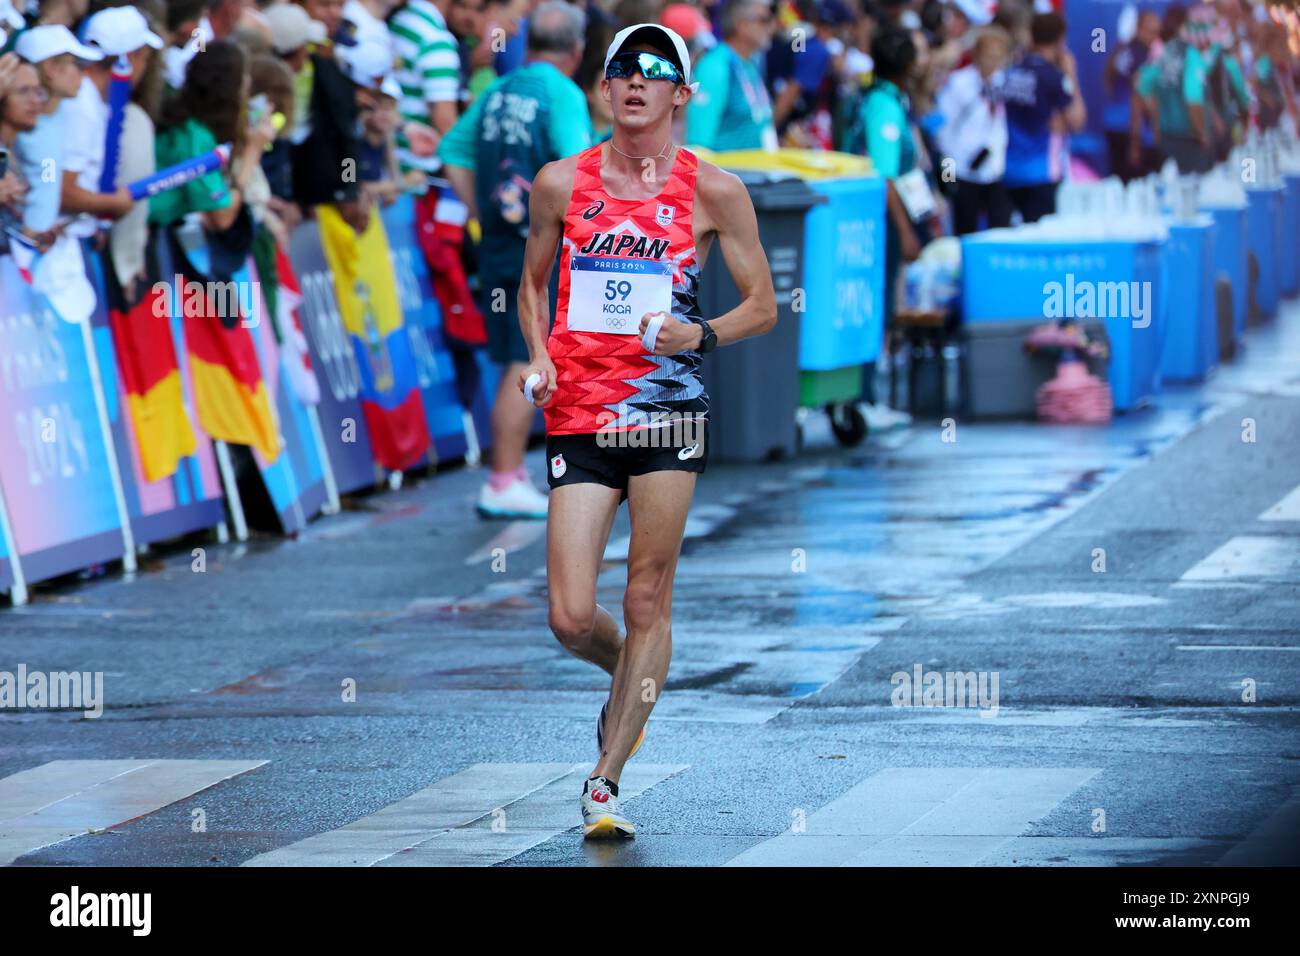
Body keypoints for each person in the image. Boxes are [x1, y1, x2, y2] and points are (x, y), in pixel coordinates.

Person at [518, 21, 775, 839]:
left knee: (645, 595)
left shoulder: (715, 189)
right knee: (569, 613)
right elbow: (530, 286)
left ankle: (605, 780)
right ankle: (629, 672)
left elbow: (762, 306)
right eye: (621, 70)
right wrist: (538, 355)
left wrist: (699, 336)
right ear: (603, 90)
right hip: (579, 415)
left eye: (654, 71)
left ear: (681, 94)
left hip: (666, 412)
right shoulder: (560, 183)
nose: (635, 82)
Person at [438, 1, 594, 520]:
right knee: (523, 361)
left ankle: (509, 475)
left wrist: (483, 212)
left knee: (515, 356)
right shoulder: (563, 94)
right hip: (538, 253)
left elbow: (452, 152)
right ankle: (503, 478)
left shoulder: (497, 91)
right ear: (576, 51)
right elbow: (578, 175)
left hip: (501, 247)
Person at [843, 25, 920, 430]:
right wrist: (906, 230)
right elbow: (884, 175)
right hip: (880, 224)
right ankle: (865, 396)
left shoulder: (881, 100)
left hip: (873, 221)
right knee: (877, 304)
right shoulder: (884, 107)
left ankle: (866, 393)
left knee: (875, 303)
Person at [61, 5, 162, 239]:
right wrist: (112, 203)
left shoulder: (95, 101)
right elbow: (61, 191)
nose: (144, 68)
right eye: (144, 58)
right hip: (54, 246)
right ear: (130, 58)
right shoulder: (80, 104)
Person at [13, 25, 102, 245]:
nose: (83, 73)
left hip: (42, 247)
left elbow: (46, 177)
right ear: (51, 68)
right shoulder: (17, 125)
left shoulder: (59, 113)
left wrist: (47, 222)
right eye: (77, 65)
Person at [1001, 10, 1084, 223]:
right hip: (1042, 173)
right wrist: (1071, 74)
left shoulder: (1012, 71)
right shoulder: (1053, 77)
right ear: (1060, 39)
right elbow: (1077, 121)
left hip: (1009, 172)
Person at [934, 24, 1011, 235]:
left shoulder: (1003, 83)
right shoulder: (959, 83)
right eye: (989, 55)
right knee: (964, 231)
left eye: (998, 56)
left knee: (1000, 231)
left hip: (994, 169)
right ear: (976, 54)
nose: (993, 62)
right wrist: (949, 176)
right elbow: (942, 132)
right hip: (961, 171)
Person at [684, 0, 777, 150]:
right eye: (764, 20)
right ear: (742, 25)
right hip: (729, 170)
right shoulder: (716, 65)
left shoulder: (748, 64)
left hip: (756, 170)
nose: (772, 27)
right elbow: (698, 142)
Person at [1134, 4, 1211, 175]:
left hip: (1167, 140)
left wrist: (1156, 123)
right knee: (1193, 193)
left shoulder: (1162, 54)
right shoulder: (1191, 55)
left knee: (1170, 193)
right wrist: (1201, 132)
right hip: (1190, 141)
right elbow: (1193, 98)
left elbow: (1141, 85)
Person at [1102, 8, 1158, 182]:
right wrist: (1136, 141)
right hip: (1132, 128)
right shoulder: (1141, 56)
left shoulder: (1121, 49)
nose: (1154, 37)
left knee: (1119, 182)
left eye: (1157, 32)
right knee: (1135, 186)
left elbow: (1108, 79)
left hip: (1113, 122)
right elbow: (1138, 98)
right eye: (1150, 32)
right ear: (1139, 29)